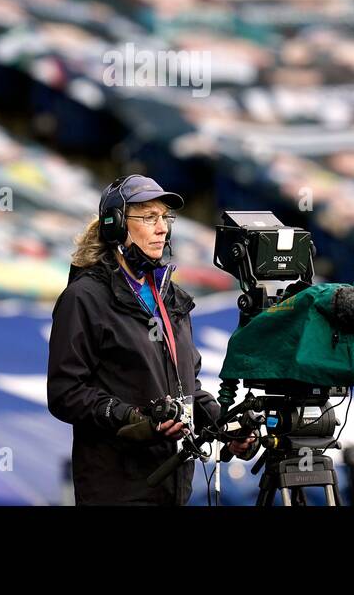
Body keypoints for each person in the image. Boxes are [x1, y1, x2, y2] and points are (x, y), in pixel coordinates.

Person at [47, 174, 257, 505]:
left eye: (164, 218)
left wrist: (225, 427)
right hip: (118, 489)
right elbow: (65, 392)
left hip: (173, 486)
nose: (162, 228)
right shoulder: (84, 298)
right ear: (115, 225)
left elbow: (187, 390)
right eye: (149, 217)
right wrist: (131, 418)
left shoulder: (172, 297)